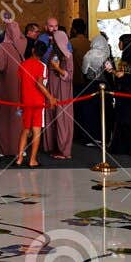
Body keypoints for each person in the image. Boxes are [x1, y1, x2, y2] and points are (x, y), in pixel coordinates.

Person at [16, 38, 55, 167]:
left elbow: (20, 85)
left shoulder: (23, 64)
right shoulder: (42, 66)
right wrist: (50, 97)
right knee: (36, 130)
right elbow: (39, 84)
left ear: (33, 50)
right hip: (38, 102)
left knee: (25, 130)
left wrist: (19, 101)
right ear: (43, 54)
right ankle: (32, 160)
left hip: (25, 101)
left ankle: (19, 159)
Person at [0, 13, 26, 158]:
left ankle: (4, 149)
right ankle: (20, 148)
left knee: (4, 118)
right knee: (18, 118)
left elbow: (0, 67)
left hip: (5, 87)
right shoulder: (23, 43)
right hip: (20, 86)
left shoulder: (3, 46)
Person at [43, 18, 74, 159]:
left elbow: (68, 75)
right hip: (52, 88)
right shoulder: (53, 53)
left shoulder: (68, 56)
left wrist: (57, 68)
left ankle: (64, 151)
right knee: (52, 115)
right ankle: (53, 147)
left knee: (62, 118)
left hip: (63, 89)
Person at [109, 33, 131, 156]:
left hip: (128, 94)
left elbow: (127, 75)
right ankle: (128, 145)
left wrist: (115, 72)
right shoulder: (128, 56)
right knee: (126, 119)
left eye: (121, 41)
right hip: (128, 93)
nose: (119, 44)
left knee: (128, 120)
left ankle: (128, 146)